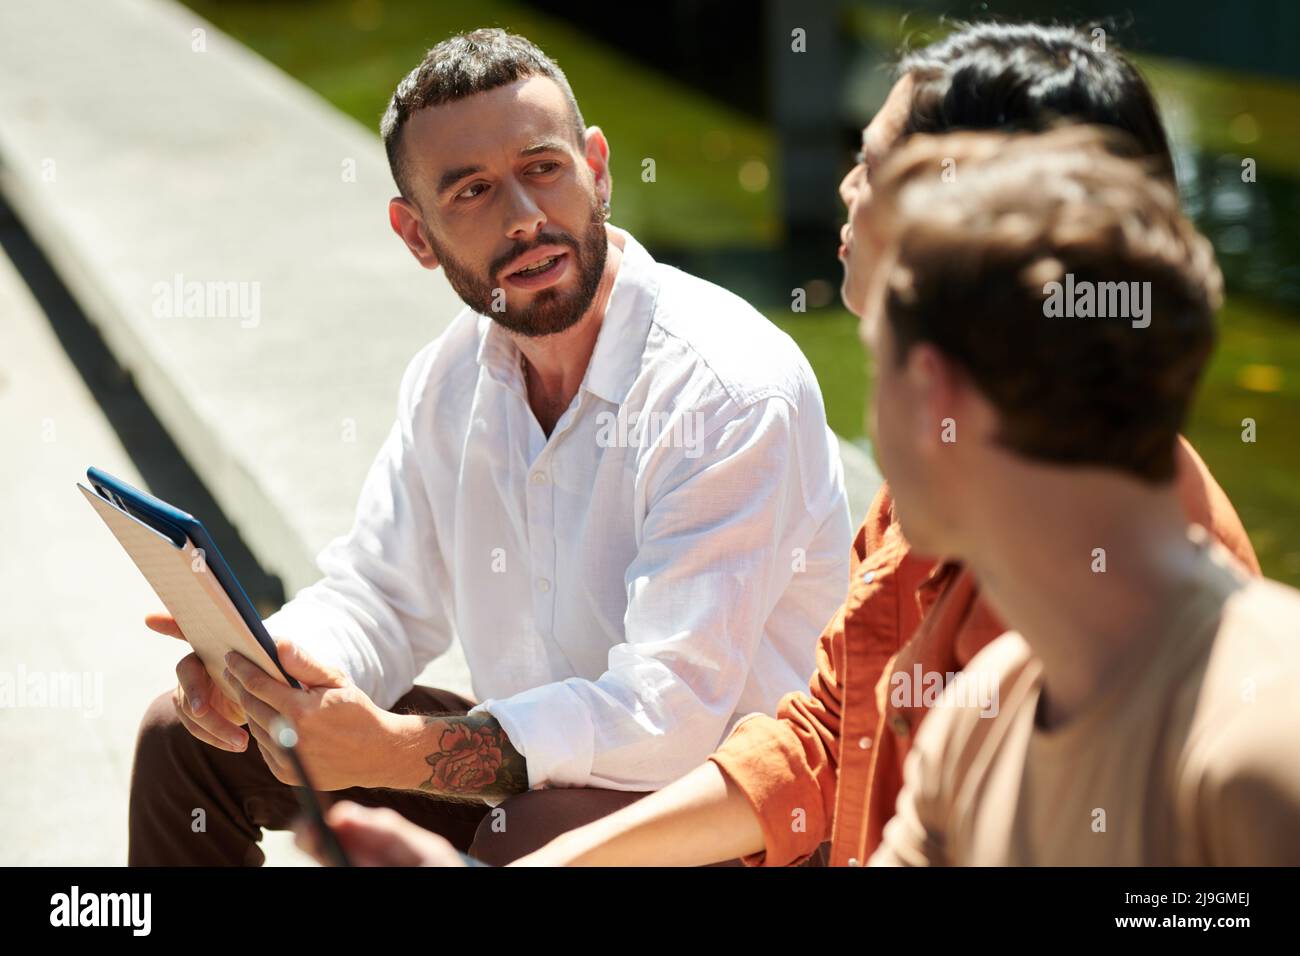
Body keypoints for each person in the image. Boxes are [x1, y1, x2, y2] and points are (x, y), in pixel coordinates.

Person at [294, 23, 1271, 868]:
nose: (843, 185)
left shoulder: (1239, 745)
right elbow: (812, 746)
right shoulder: (965, 624)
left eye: (874, 166)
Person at [127, 27, 851, 866]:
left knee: (527, 833)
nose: (526, 219)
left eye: (542, 168)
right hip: (534, 789)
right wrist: (268, 671)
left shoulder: (727, 389)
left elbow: (668, 714)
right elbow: (381, 596)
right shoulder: (451, 381)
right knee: (187, 744)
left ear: (598, 168)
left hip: (735, 825)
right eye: (472, 191)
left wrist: (392, 750)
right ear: (417, 237)